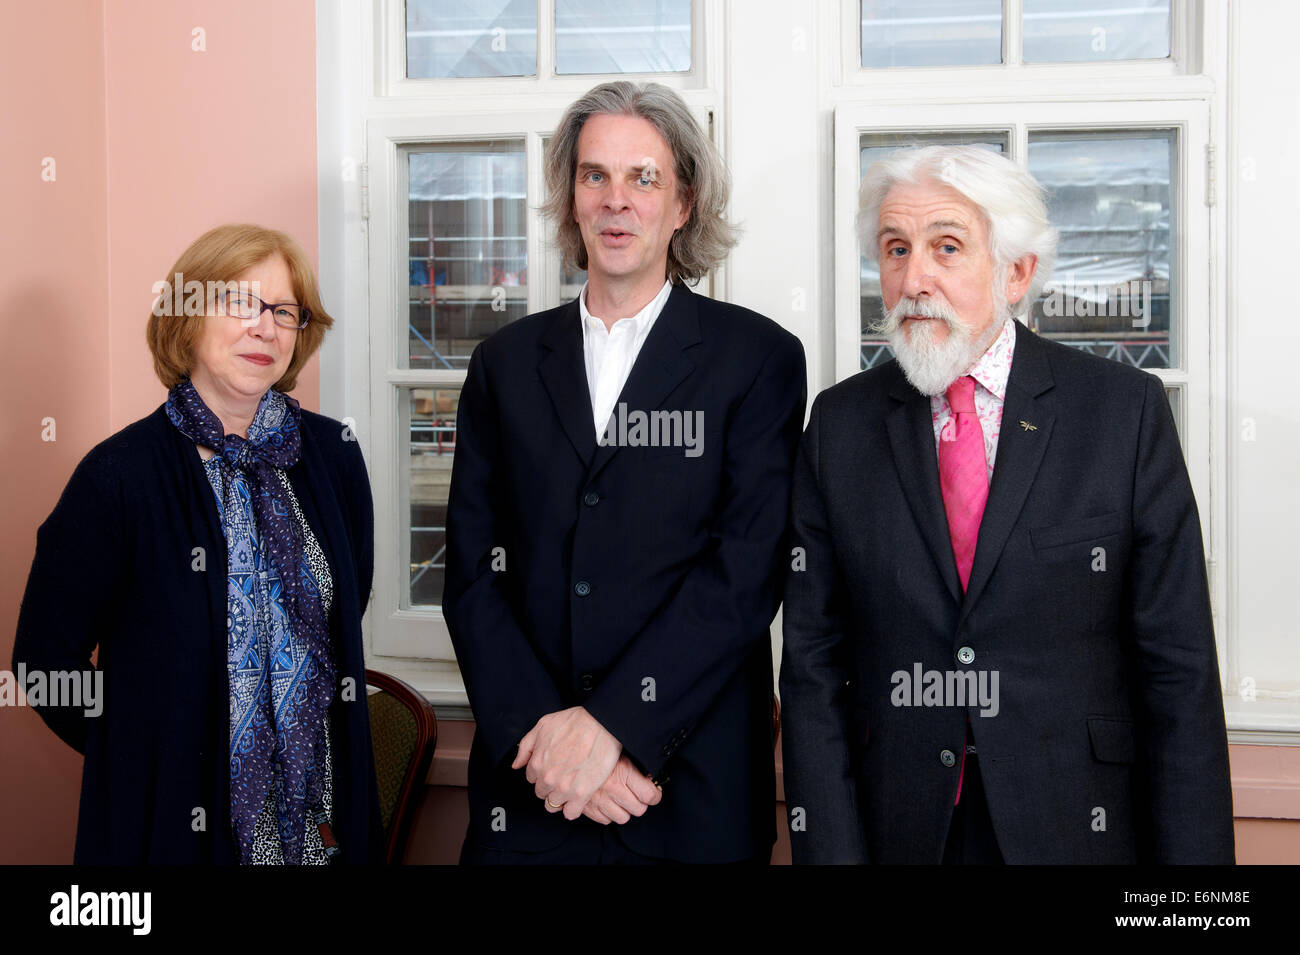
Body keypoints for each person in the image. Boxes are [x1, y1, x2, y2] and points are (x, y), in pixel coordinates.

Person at [779, 145, 1234, 864]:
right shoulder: (839, 426)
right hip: (897, 825)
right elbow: (811, 667)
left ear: (1016, 271)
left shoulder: (1122, 414)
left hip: (1074, 824)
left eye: (946, 247)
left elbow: (1178, 670)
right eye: (895, 249)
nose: (912, 278)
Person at [443, 81, 807, 864]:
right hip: (529, 786)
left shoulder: (758, 360)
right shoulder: (503, 364)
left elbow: (745, 572)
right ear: (569, 198)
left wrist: (610, 729)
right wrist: (550, 743)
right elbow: (473, 575)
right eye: (594, 176)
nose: (617, 200)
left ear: (684, 204)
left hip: (685, 786)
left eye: (644, 177)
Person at [13, 224, 385, 864]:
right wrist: (141, 752)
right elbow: (45, 667)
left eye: (284, 312)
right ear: (186, 318)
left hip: (319, 821)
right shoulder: (117, 475)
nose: (265, 328)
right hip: (168, 827)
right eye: (241, 303)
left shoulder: (333, 455)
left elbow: (345, 609)